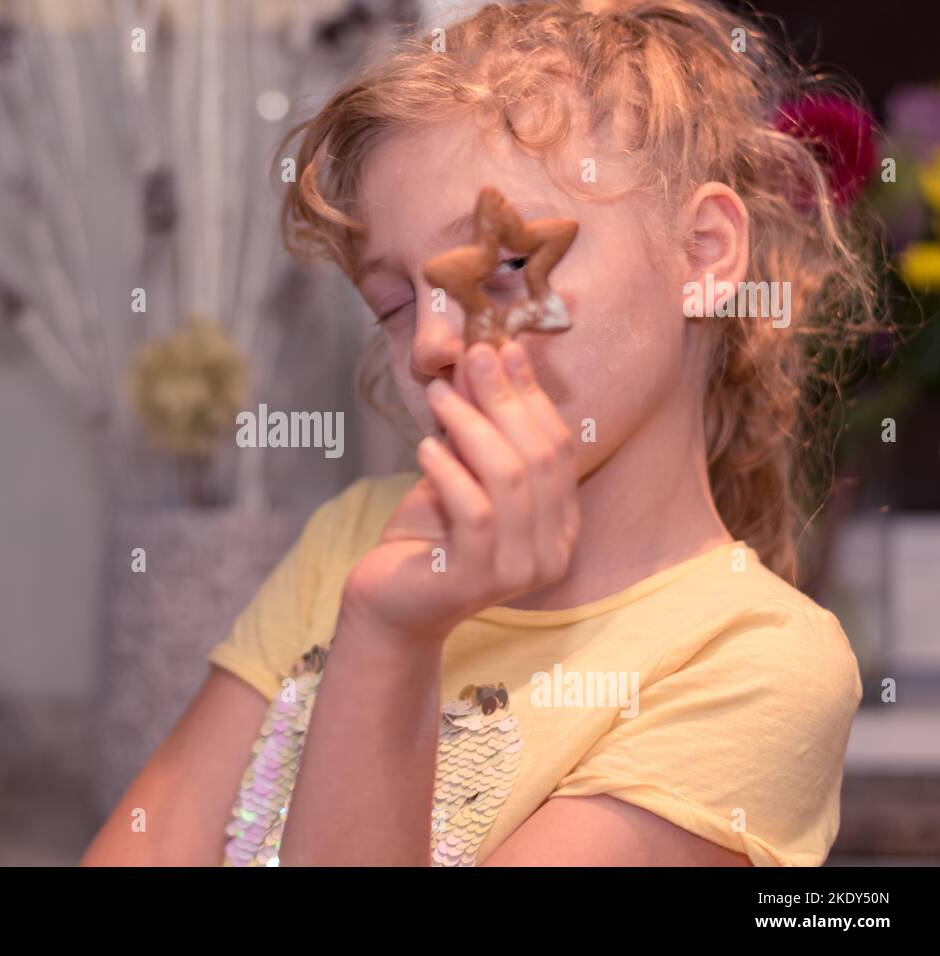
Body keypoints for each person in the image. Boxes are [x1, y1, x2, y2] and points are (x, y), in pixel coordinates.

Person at [82, 0, 881, 867]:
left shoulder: (753, 665)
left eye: (503, 268)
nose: (429, 343)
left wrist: (391, 640)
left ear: (703, 254)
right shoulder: (350, 541)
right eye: (393, 303)